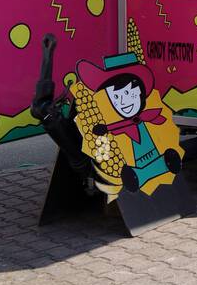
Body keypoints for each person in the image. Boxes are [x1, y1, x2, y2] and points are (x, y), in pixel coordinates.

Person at [76, 52, 181, 194]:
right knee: (139, 159)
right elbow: (115, 127)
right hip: (135, 156)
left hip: (147, 138)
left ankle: (155, 168)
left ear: (139, 90)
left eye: (126, 94)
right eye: (116, 97)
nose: (123, 102)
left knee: (150, 150)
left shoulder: (146, 116)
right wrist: (104, 129)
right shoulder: (123, 122)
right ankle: (143, 174)